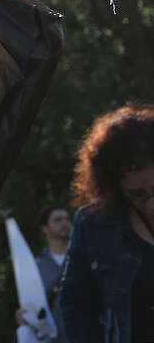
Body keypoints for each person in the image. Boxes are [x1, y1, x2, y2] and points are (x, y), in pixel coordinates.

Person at [59, 104, 154, 343]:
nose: (151, 203)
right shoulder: (95, 223)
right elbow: (76, 305)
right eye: (138, 195)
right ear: (115, 184)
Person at [17, 205, 70, 341]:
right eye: (57, 220)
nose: (64, 223)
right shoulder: (35, 268)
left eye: (66, 219)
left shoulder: (83, 260)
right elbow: (32, 307)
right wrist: (24, 316)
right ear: (45, 228)